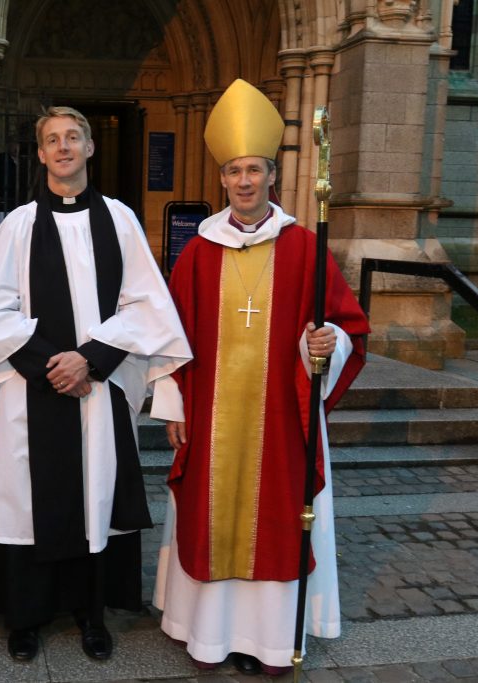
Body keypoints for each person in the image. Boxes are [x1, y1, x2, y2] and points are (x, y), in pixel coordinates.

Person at [151, 79, 371, 676]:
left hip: (281, 418)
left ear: (272, 175)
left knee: (274, 520)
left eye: (254, 170)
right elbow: (173, 338)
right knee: (210, 515)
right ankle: (208, 635)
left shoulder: (304, 247)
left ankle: (270, 642)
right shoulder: (198, 251)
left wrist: (326, 344)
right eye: (233, 171)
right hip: (213, 420)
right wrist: (173, 406)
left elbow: (348, 326)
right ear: (221, 179)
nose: (244, 182)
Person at [0, 106, 191, 662]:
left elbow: (148, 304)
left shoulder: (120, 220)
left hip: (97, 387)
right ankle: (25, 618)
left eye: (73, 137)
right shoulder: (18, 225)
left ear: (90, 148)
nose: (64, 147)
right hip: (35, 389)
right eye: (52, 140)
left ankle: (90, 615)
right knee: (27, 499)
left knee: (93, 495)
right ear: (41, 153)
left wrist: (90, 361)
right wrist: (55, 365)